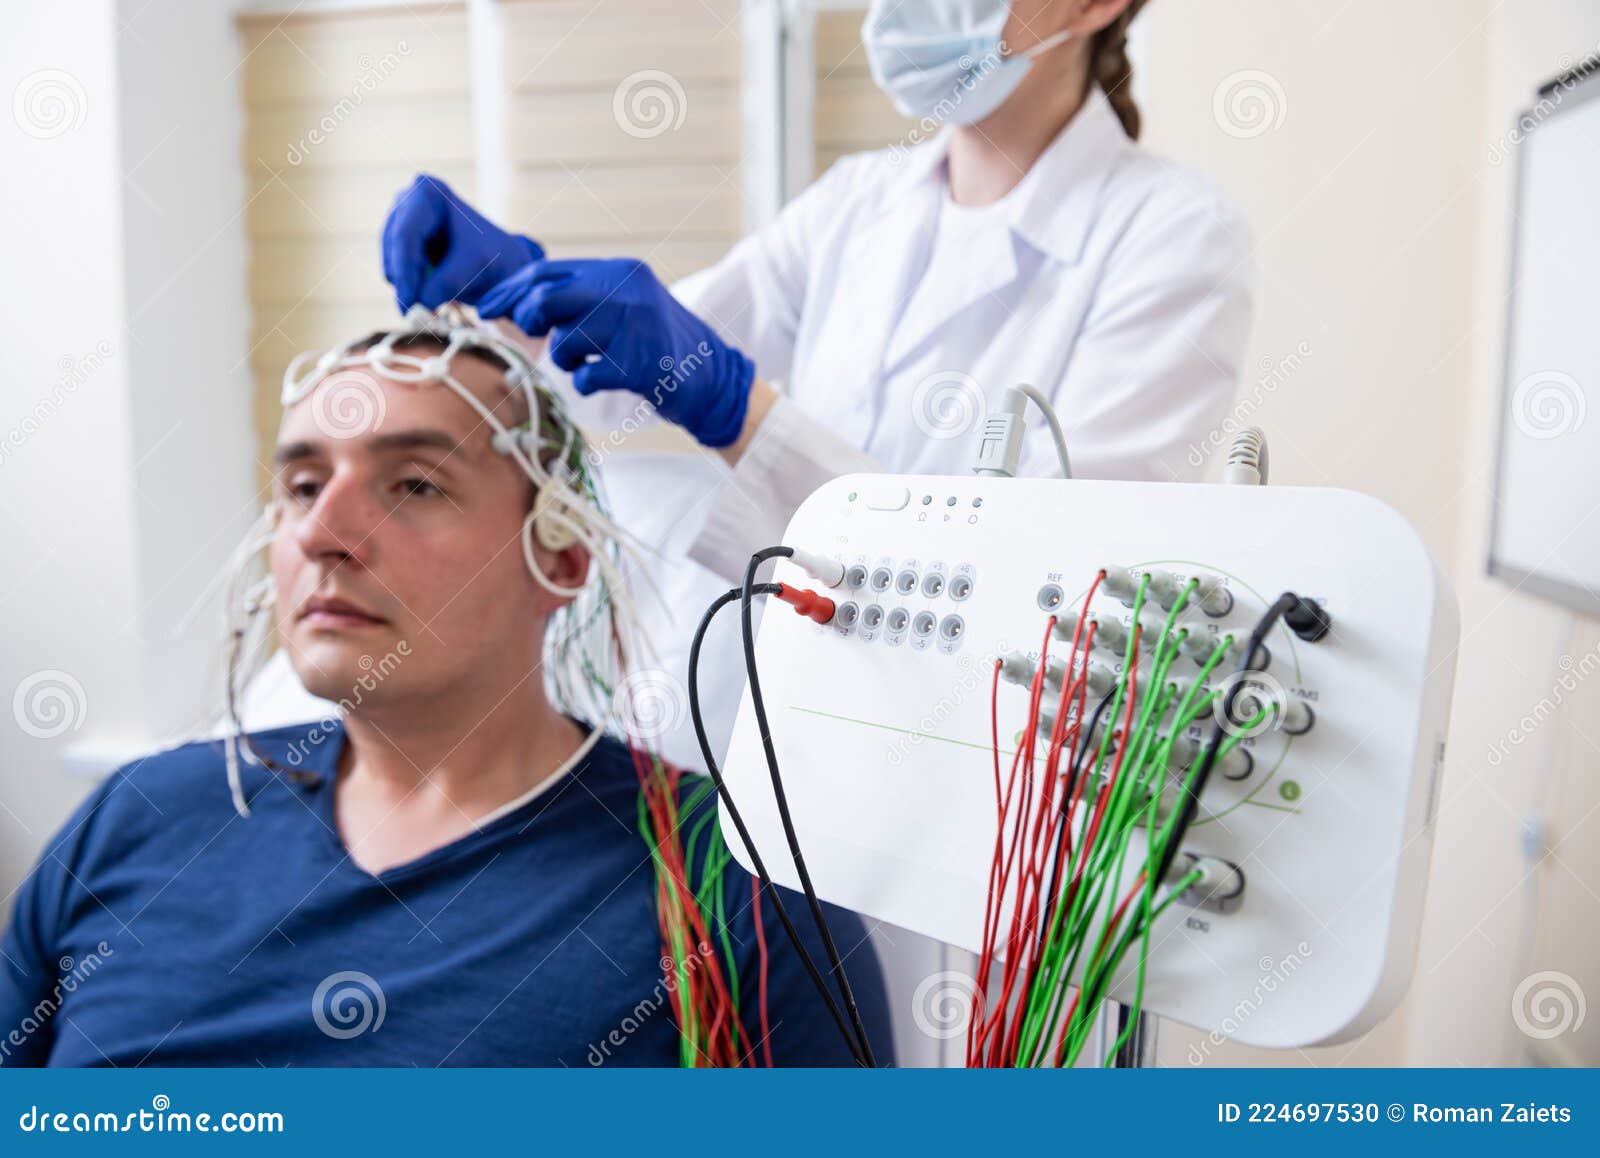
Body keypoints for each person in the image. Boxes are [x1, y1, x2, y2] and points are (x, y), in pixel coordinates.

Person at [379, 0, 1255, 774]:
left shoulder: (1172, 239)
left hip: (958, 771)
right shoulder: (860, 202)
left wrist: (739, 414)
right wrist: (510, 297)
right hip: (767, 720)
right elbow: (623, 382)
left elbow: (1050, 607)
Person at [0, 316, 891, 1067]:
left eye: (414, 484)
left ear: (561, 560)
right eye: (304, 484)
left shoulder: (729, 887)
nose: (324, 530)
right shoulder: (141, 821)